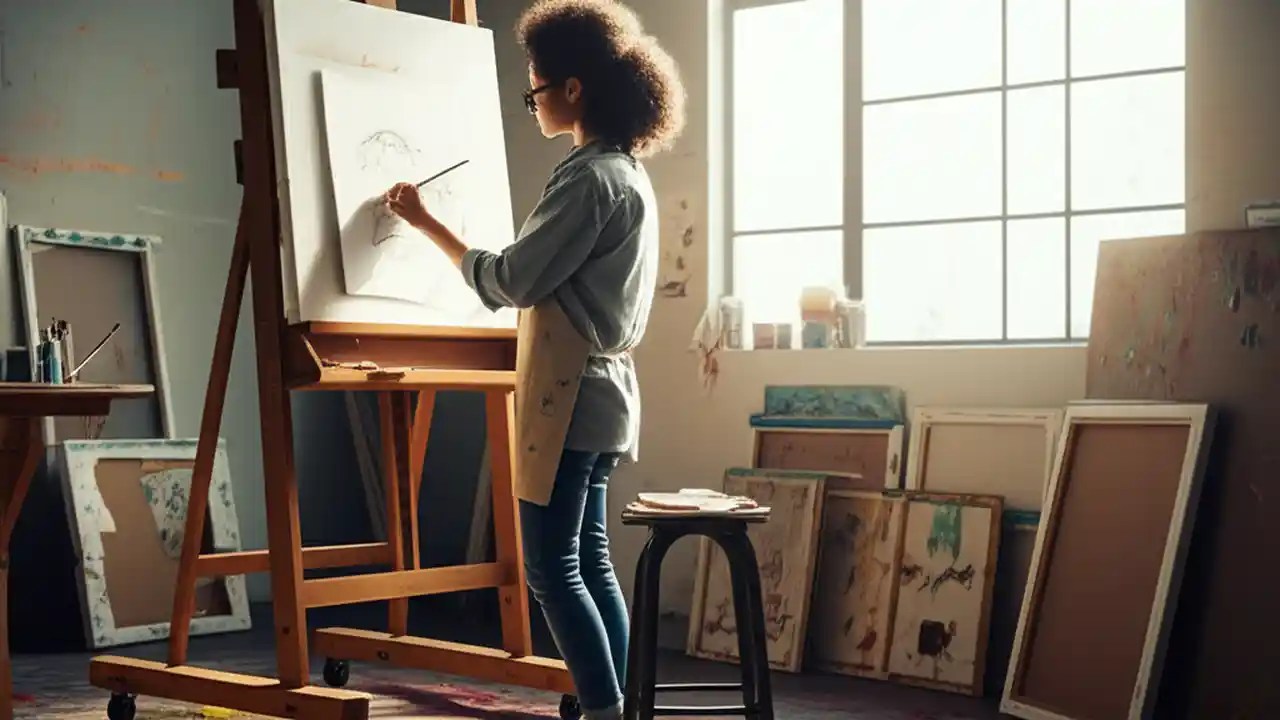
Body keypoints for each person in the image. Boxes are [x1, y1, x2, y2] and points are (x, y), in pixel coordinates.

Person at [383, 1, 685, 717]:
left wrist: (428, 225)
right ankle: (623, 706)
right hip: (605, 396)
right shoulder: (627, 173)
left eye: (535, 90)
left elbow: (512, 280)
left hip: (568, 395)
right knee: (590, 560)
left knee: (553, 570)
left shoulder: (588, 180)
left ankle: (607, 710)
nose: (533, 103)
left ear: (573, 89)